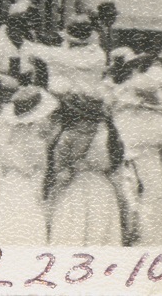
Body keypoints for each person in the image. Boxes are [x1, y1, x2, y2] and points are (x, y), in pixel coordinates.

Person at [110, 64, 162, 245]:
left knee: (125, 223)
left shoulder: (119, 120)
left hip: (124, 174)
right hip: (152, 175)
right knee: (153, 227)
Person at [44, 94, 126, 244]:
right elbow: (113, 164)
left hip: (76, 188)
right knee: (101, 233)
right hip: (103, 188)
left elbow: (61, 173)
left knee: (73, 231)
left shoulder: (68, 135)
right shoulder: (107, 134)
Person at [0, 83, 56, 246]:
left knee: (11, 224)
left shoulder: (12, 137)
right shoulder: (35, 142)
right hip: (27, 186)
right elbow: (37, 168)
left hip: (10, 183)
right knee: (27, 225)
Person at [27, 16, 108, 100]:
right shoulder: (100, 53)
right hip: (92, 99)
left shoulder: (59, 55)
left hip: (67, 102)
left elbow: (32, 53)